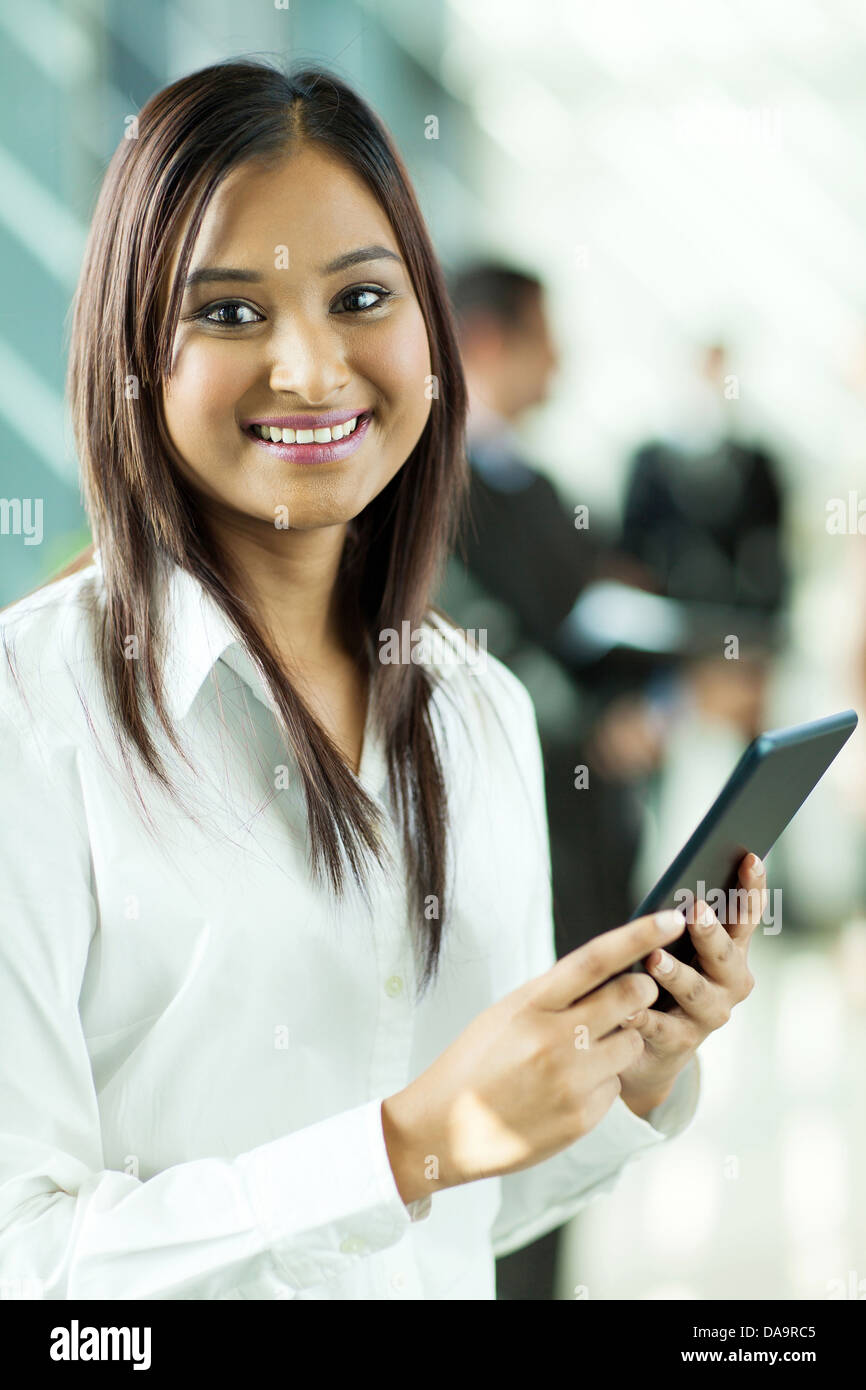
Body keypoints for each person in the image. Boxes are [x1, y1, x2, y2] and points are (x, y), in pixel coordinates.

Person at [0, 59, 763, 1302]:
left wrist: (625, 1072)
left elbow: (467, 1216)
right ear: (128, 350)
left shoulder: (474, 711)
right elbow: (24, 1264)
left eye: (361, 296)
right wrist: (404, 1144)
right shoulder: (32, 713)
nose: (310, 370)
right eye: (230, 313)